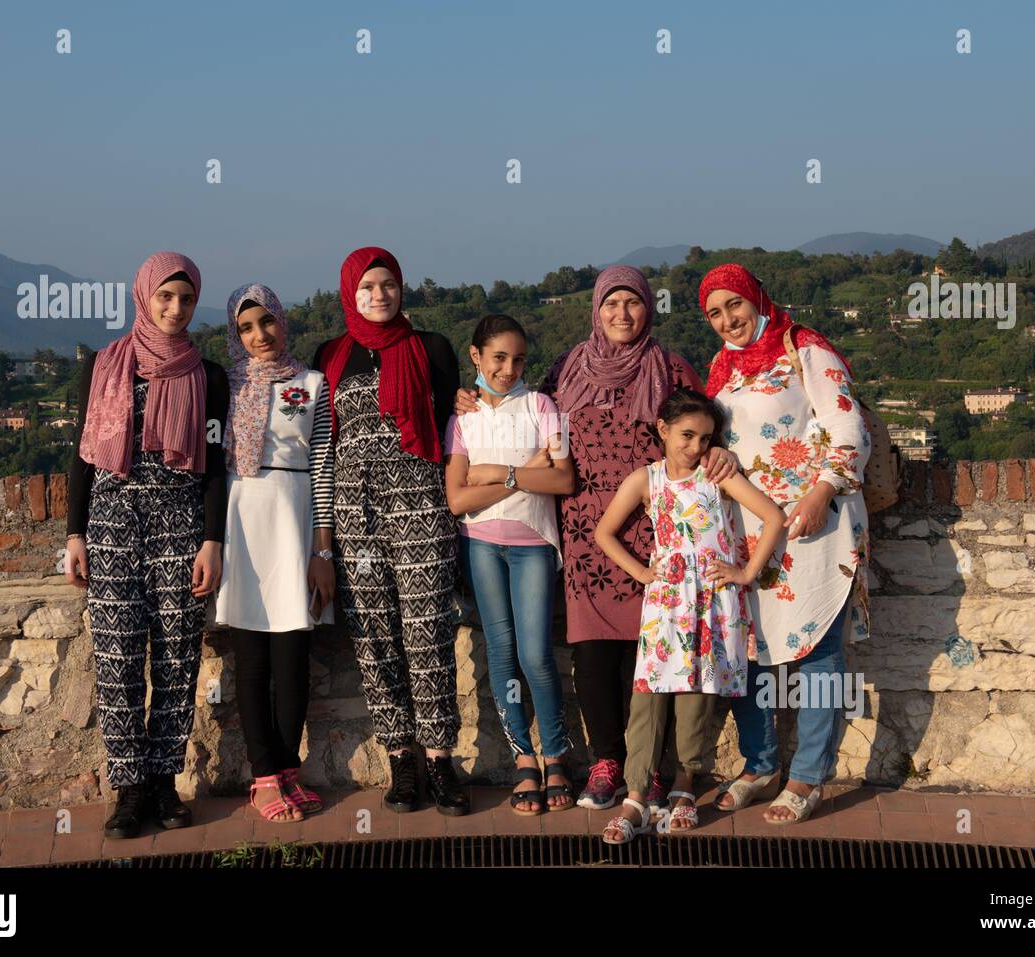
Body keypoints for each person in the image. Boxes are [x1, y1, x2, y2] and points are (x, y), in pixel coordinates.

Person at [455, 265, 738, 810]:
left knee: (651, 654)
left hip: (657, 529)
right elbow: (517, 414)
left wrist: (720, 449)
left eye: (632, 303)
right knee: (591, 655)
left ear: (648, 309)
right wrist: (467, 401)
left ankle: (651, 767)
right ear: (596, 309)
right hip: (587, 532)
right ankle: (607, 760)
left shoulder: (671, 369)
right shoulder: (565, 370)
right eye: (612, 304)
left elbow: (704, 430)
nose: (622, 314)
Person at [64, 251, 228, 839]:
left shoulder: (206, 376)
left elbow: (216, 466)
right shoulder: (107, 365)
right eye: (166, 297)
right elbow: (83, 455)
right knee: (117, 656)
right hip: (111, 522)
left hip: (180, 523)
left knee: (178, 655)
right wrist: (74, 532)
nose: (176, 309)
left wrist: (212, 540)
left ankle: (164, 780)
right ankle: (129, 787)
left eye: (185, 299)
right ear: (143, 296)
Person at [701, 263, 871, 825]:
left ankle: (808, 775)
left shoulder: (805, 349)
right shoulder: (721, 369)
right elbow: (710, 438)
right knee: (747, 653)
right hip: (750, 533)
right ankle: (760, 764)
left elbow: (849, 429)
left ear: (756, 299)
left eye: (735, 305)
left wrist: (824, 490)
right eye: (715, 313)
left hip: (812, 527)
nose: (728, 320)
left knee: (818, 651)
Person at [313, 246, 468, 816]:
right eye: (367, 287)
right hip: (357, 517)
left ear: (401, 289)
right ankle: (402, 761)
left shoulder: (430, 348)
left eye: (388, 285)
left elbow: (457, 428)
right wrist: (324, 538)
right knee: (374, 638)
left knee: (429, 634)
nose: (379, 295)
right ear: (349, 293)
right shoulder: (330, 356)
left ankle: (440, 761)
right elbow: (323, 450)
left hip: (423, 510)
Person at [594, 388, 785, 843]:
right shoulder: (646, 480)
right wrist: (643, 571)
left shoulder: (717, 475)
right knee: (650, 696)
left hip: (712, 604)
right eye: (686, 435)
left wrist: (744, 573)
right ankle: (636, 799)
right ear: (662, 429)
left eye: (705, 437)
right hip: (665, 604)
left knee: (697, 696)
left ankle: (683, 788)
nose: (696, 447)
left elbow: (774, 517)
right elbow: (605, 532)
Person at [444, 315, 576, 815]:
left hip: (534, 544)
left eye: (518, 358)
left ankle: (557, 755)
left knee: (537, 654)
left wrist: (497, 474)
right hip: (480, 544)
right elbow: (457, 499)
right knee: (501, 652)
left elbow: (562, 480)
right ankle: (525, 759)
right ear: (475, 356)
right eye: (498, 357)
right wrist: (526, 474)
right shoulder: (462, 418)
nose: (509, 367)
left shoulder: (542, 406)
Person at [215, 282, 334, 821]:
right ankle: (264, 777)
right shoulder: (224, 387)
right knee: (252, 658)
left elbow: (326, 468)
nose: (259, 335)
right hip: (240, 519)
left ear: (284, 321)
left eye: (267, 322)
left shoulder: (313, 383)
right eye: (246, 327)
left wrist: (323, 550)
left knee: (292, 657)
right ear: (235, 334)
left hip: (295, 515)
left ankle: (288, 767)